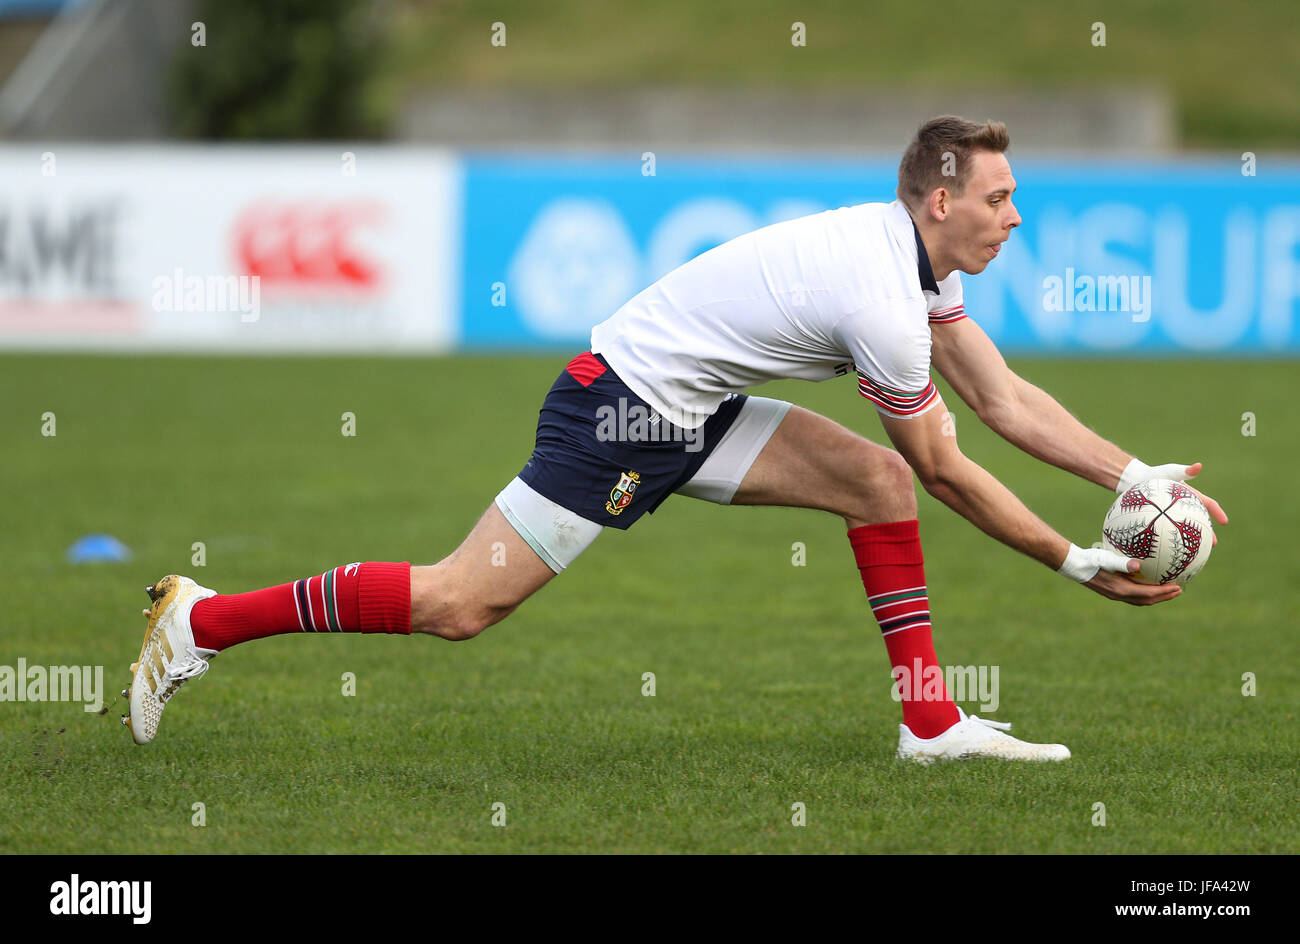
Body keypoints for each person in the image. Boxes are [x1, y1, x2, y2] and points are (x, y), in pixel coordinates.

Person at [124, 115, 1227, 761]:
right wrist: (1071, 558)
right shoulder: (883, 300)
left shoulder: (907, 260)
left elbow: (1002, 397)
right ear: (940, 202)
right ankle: (202, 621)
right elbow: (955, 461)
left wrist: (1133, 473)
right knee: (458, 605)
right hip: (621, 409)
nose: (1016, 214)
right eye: (999, 196)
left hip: (687, 406)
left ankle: (927, 723)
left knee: (872, 479)